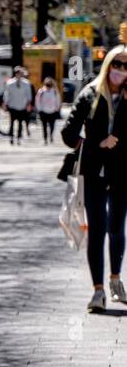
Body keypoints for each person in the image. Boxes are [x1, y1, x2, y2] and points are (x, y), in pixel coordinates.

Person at [62, 45, 127, 313]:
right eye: (116, 64)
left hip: (123, 171)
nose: (120, 71)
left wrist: (118, 137)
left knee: (117, 228)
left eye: (125, 67)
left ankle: (115, 281)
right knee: (97, 230)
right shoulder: (90, 94)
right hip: (94, 172)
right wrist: (92, 145)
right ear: (107, 65)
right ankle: (97, 291)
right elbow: (68, 134)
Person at [2, 66, 34, 144]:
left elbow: (29, 94)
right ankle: (11, 137)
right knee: (12, 122)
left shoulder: (26, 83)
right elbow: (7, 94)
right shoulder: (10, 83)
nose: (20, 75)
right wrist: (5, 103)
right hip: (13, 105)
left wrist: (29, 104)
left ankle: (19, 137)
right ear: (15, 74)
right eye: (18, 73)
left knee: (20, 122)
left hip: (22, 106)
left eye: (21, 73)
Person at [35, 77, 62, 143]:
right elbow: (37, 100)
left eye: (50, 83)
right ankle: (45, 138)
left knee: (52, 125)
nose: (48, 85)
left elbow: (58, 100)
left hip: (52, 111)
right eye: (47, 84)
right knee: (44, 126)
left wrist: (57, 108)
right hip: (43, 111)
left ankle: (51, 135)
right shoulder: (41, 91)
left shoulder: (55, 91)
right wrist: (39, 109)